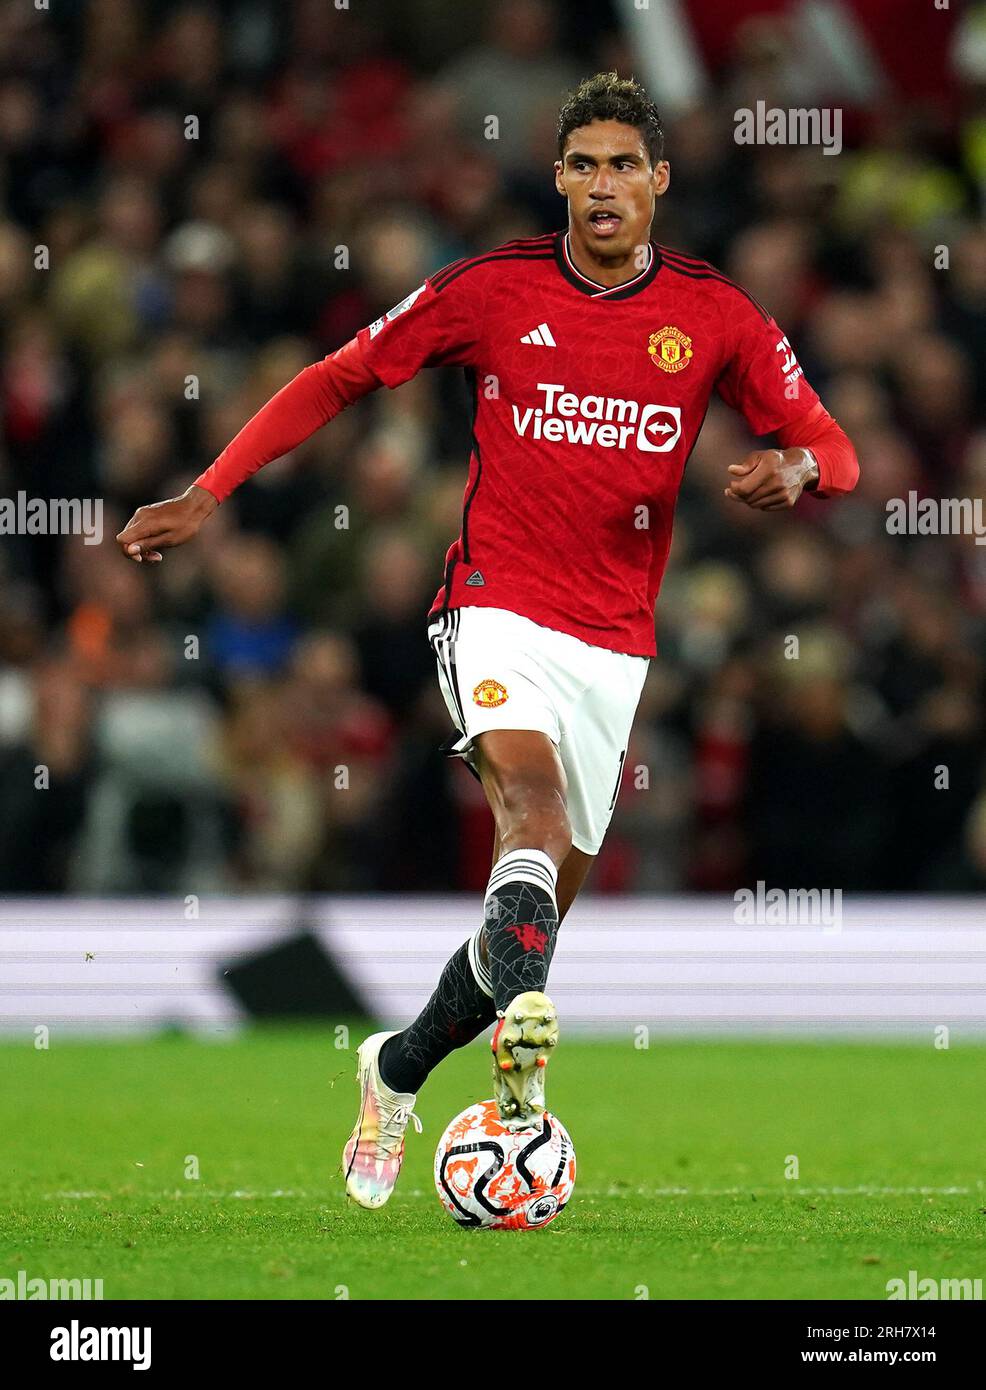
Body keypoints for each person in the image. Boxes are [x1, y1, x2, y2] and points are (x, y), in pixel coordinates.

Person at [116, 72, 860, 1210]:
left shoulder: (713, 316)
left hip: (614, 646)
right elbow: (339, 374)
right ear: (555, 177)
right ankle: (524, 1097)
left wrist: (797, 468)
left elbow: (838, 450)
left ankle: (396, 1066)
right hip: (493, 604)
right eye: (582, 165)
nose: (601, 185)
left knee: (528, 913)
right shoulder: (492, 290)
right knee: (532, 814)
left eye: (623, 165)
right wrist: (209, 491)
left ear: (658, 181)